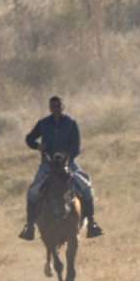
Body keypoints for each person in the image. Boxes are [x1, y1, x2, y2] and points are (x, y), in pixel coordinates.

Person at [20, 94, 103, 240]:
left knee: (86, 187)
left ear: (63, 107)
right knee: (33, 192)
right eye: (53, 107)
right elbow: (29, 139)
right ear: (50, 108)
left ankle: (92, 224)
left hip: (68, 164)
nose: (56, 109)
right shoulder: (43, 123)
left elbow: (76, 147)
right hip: (48, 165)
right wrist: (38, 146)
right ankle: (30, 226)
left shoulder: (71, 123)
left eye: (58, 106)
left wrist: (67, 159)